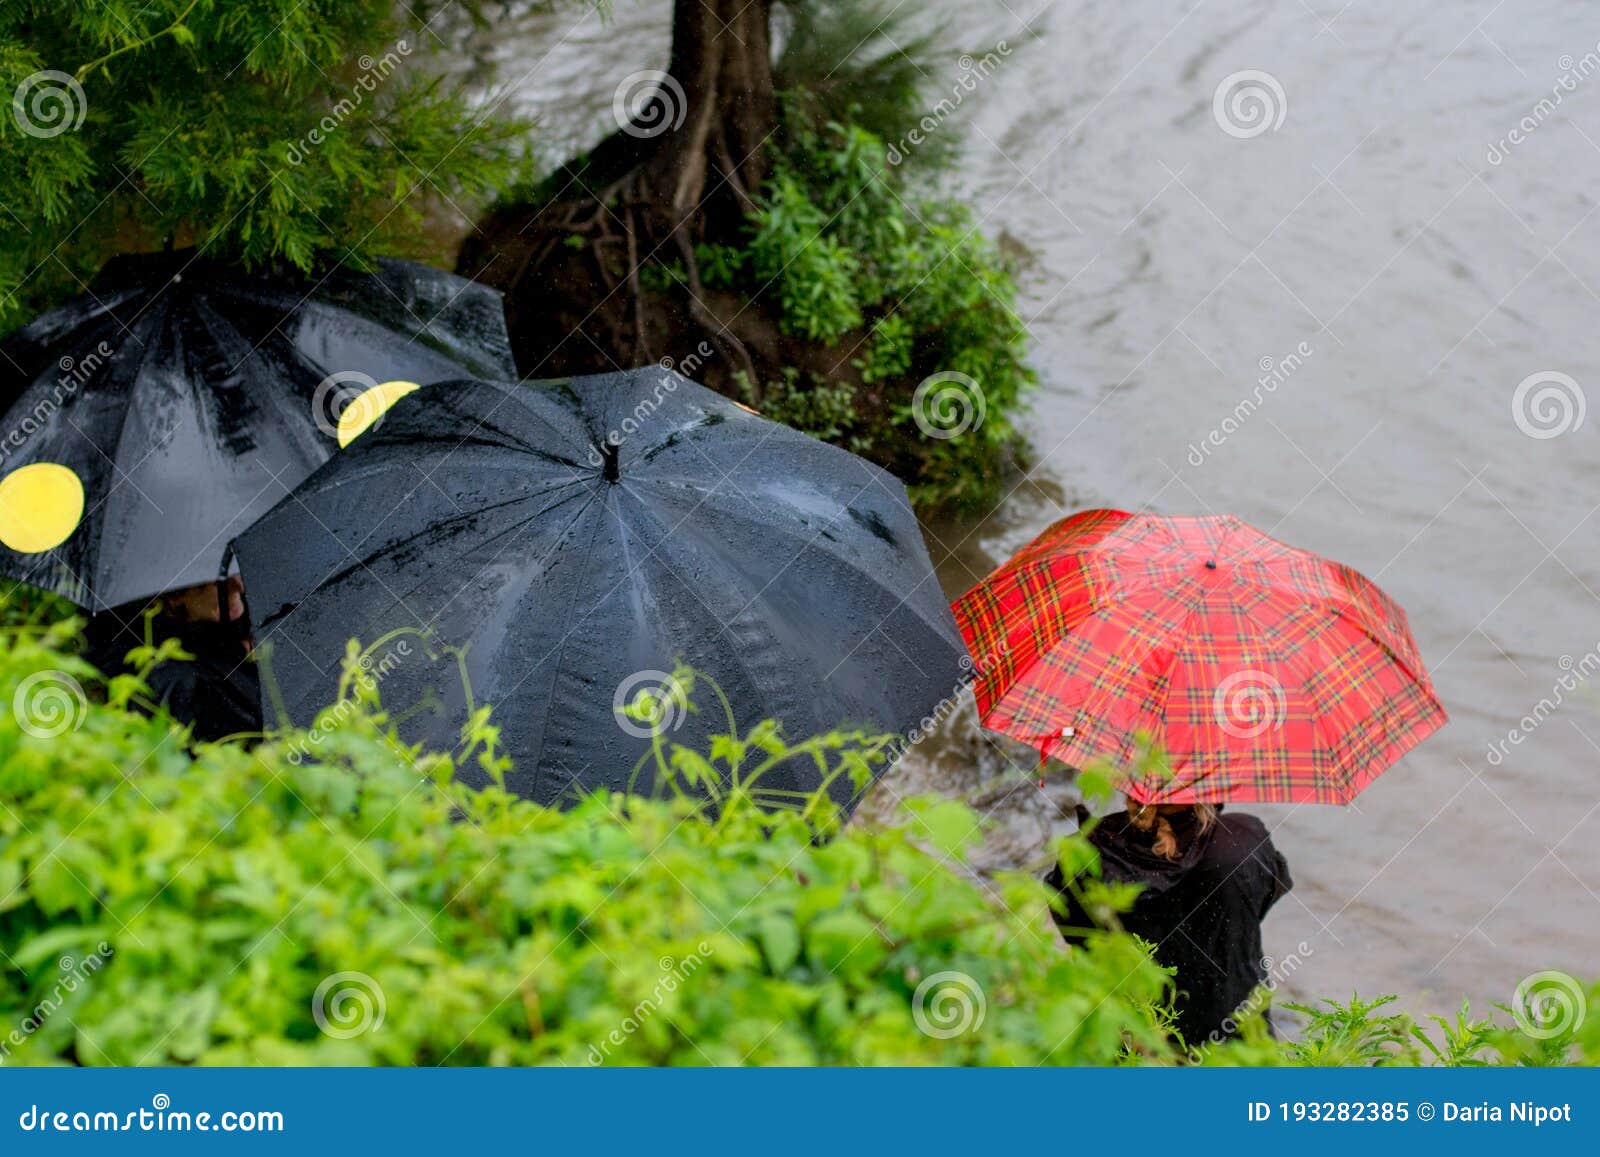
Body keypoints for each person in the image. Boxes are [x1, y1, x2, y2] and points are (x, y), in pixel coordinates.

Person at [1047, 798, 1292, 1047]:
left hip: (1140, 1033)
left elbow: (1077, 934)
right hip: (1238, 1024)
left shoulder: (1091, 849)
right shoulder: (1244, 837)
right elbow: (1265, 898)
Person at [83, 574, 262, 743]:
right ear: (174, 596)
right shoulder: (179, 680)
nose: (240, 586)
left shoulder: (235, 634)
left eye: (235, 569)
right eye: (218, 581)